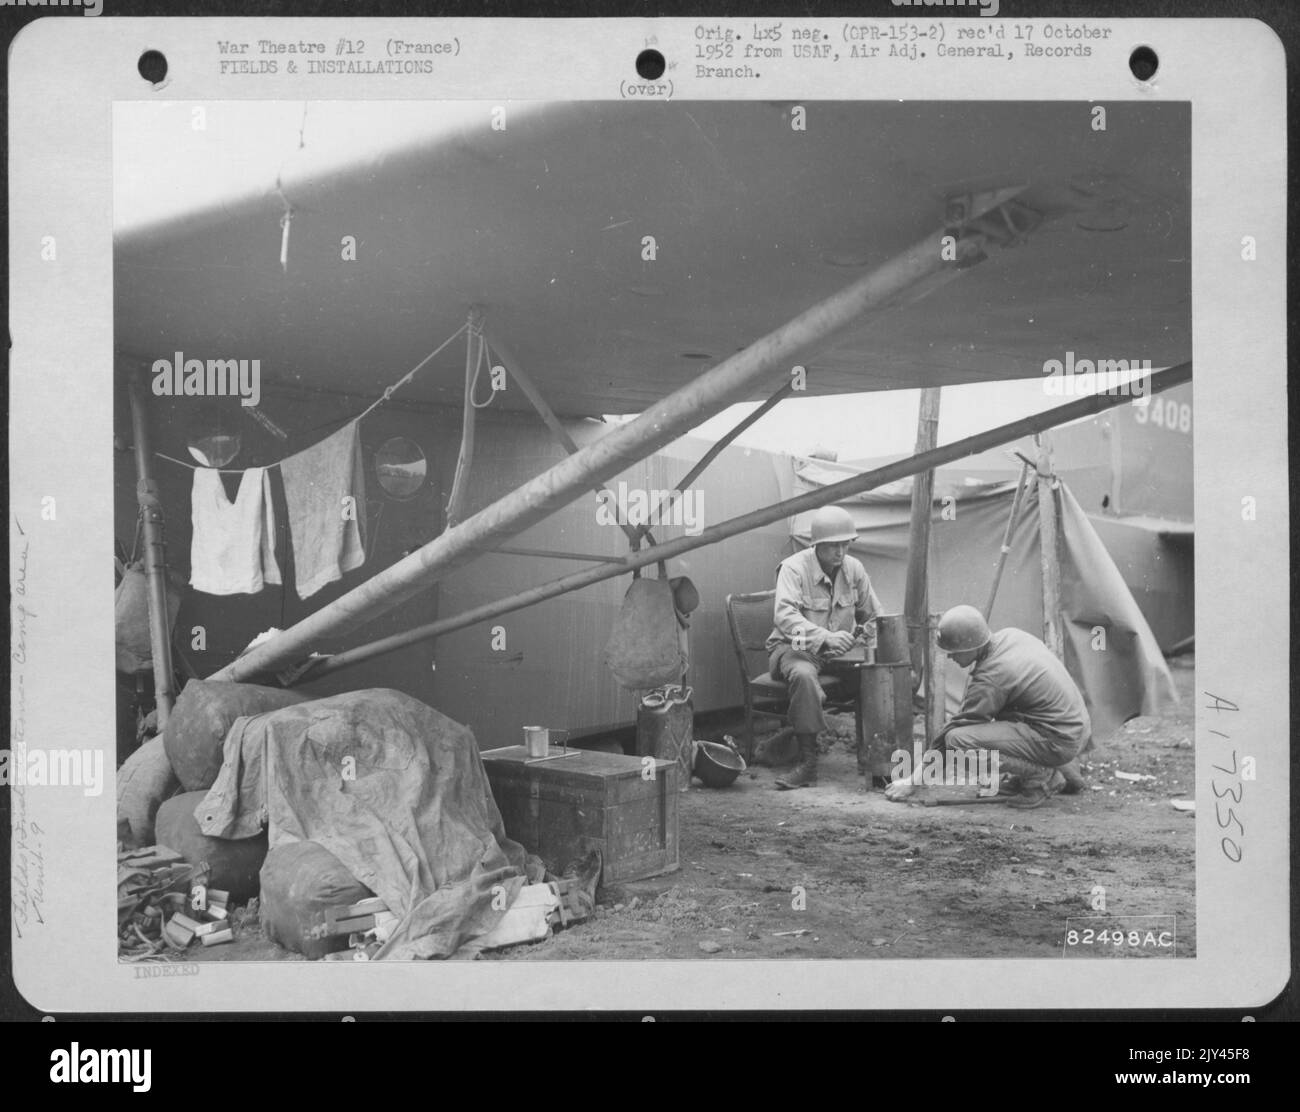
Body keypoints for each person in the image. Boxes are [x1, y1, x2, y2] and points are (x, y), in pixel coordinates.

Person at [886, 604, 1090, 809]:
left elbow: (951, 732)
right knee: (1000, 716)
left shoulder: (992, 676)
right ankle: (1037, 774)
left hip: (1058, 739)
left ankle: (1041, 776)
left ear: (971, 646)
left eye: (954, 651)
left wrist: (913, 781)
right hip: (1074, 728)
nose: (950, 656)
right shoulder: (1010, 637)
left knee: (957, 741)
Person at [765, 505, 882, 790]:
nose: (840, 552)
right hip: (794, 649)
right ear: (816, 544)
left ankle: (876, 758)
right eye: (832, 545)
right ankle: (808, 763)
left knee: (877, 675)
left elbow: (875, 615)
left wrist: (862, 633)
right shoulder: (794, 568)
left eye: (845, 544)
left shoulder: (854, 569)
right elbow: (785, 617)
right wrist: (825, 636)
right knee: (805, 678)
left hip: (838, 657)